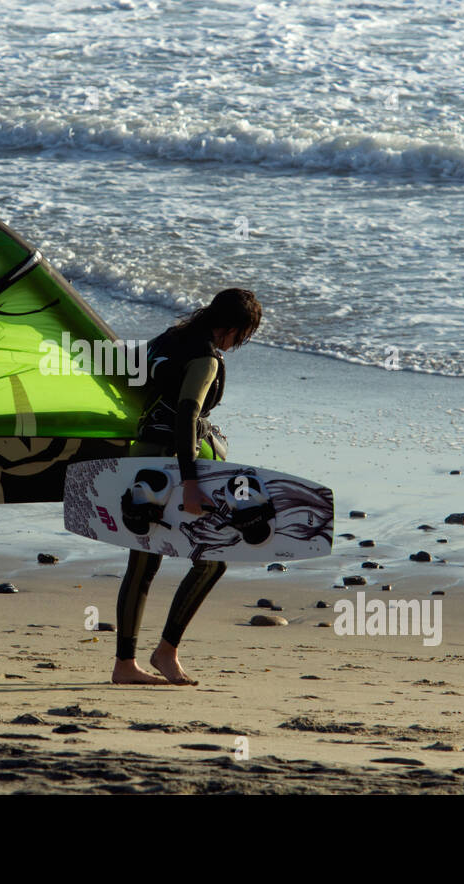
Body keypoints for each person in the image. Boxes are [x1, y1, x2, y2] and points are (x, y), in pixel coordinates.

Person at [112, 288, 263, 685]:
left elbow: (128, 380)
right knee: (212, 559)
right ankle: (166, 651)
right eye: (242, 336)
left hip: (138, 459)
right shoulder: (205, 357)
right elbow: (187, 413)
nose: (237, 345)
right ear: (231, 328)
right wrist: (192, 481)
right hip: (171, 467)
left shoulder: (167, 339)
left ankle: (125, 665)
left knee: (142, 563)